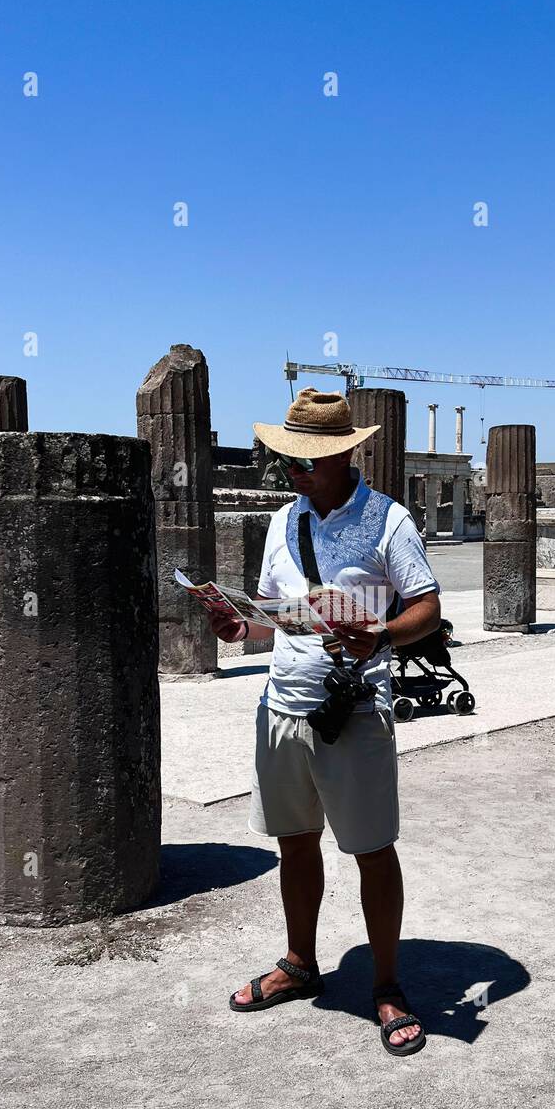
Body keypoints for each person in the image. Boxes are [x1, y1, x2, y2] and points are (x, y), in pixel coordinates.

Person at [203, 388, 441, 1056]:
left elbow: (426, 607)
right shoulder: (284, 522)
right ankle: (300, 962)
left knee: (370, 849)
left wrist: (382, 637)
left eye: (305, 460)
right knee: (294, 841)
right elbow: (278, 615)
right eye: (288, 459)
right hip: (281, 705)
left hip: (356, 708)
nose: (292, 470)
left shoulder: (389, 522)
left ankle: (387, 986)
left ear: (343, 454)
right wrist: (238, 625)